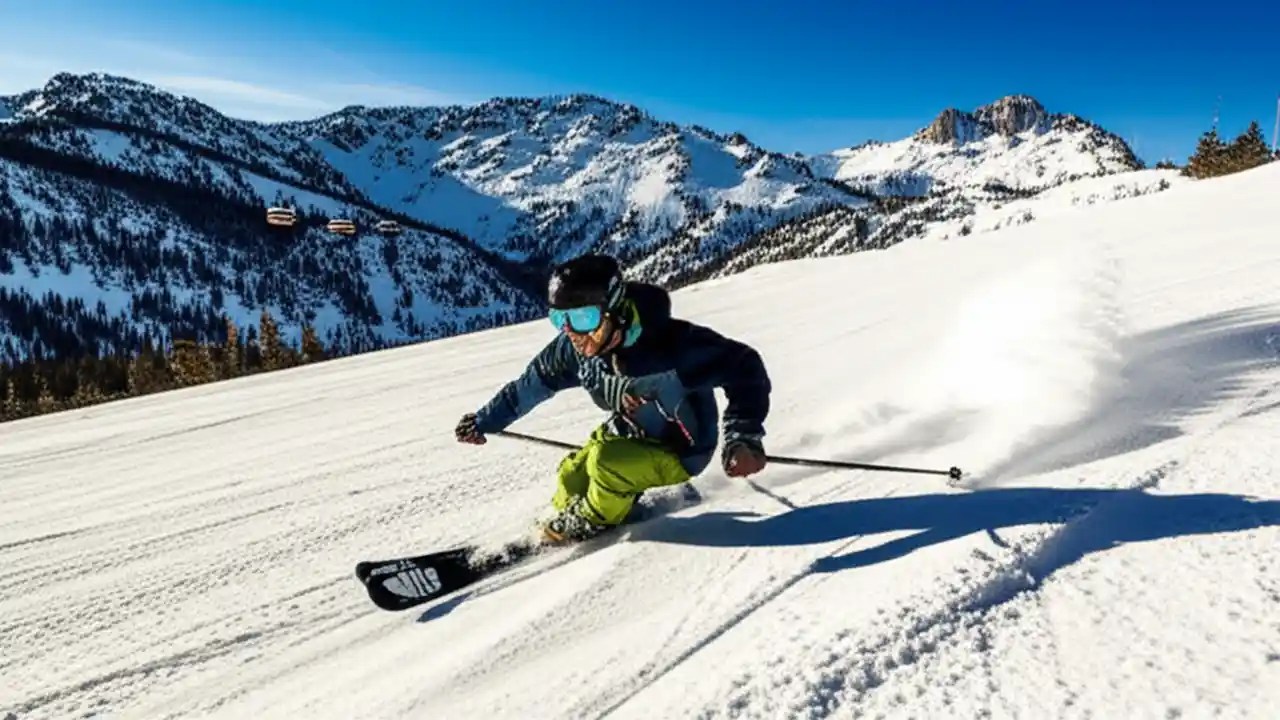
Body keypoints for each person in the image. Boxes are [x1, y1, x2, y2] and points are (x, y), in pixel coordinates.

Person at [454, 253, 771, 543]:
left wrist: (743, 437)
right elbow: (528, 387)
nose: (572, 334)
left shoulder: (673, 348)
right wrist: (485, 420)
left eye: (583, 319)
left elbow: (745, 368)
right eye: (559, 320)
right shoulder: (574, 350)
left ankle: (592, 521)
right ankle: (584, 514)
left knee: (606, 464)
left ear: (614, 310)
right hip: (627, 433)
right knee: (571, 476)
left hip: (681, 450)